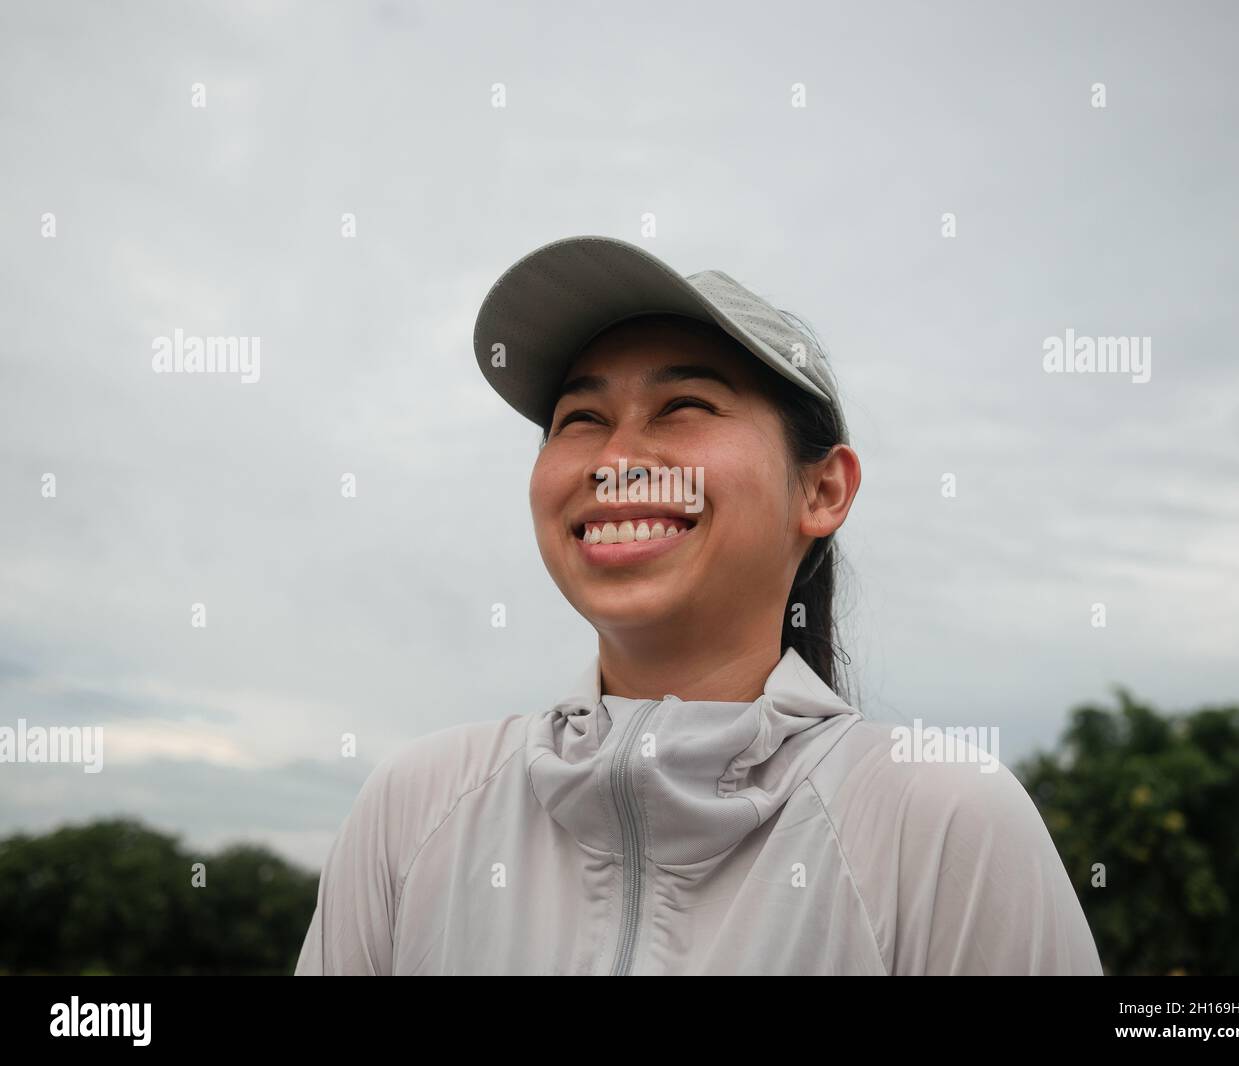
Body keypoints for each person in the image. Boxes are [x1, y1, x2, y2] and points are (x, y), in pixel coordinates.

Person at [294, 235, 1104, 976]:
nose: (615, 460)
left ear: (822, 490)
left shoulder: (940, 819)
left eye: (684, 408)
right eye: (581, 419)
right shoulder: (417, 805)